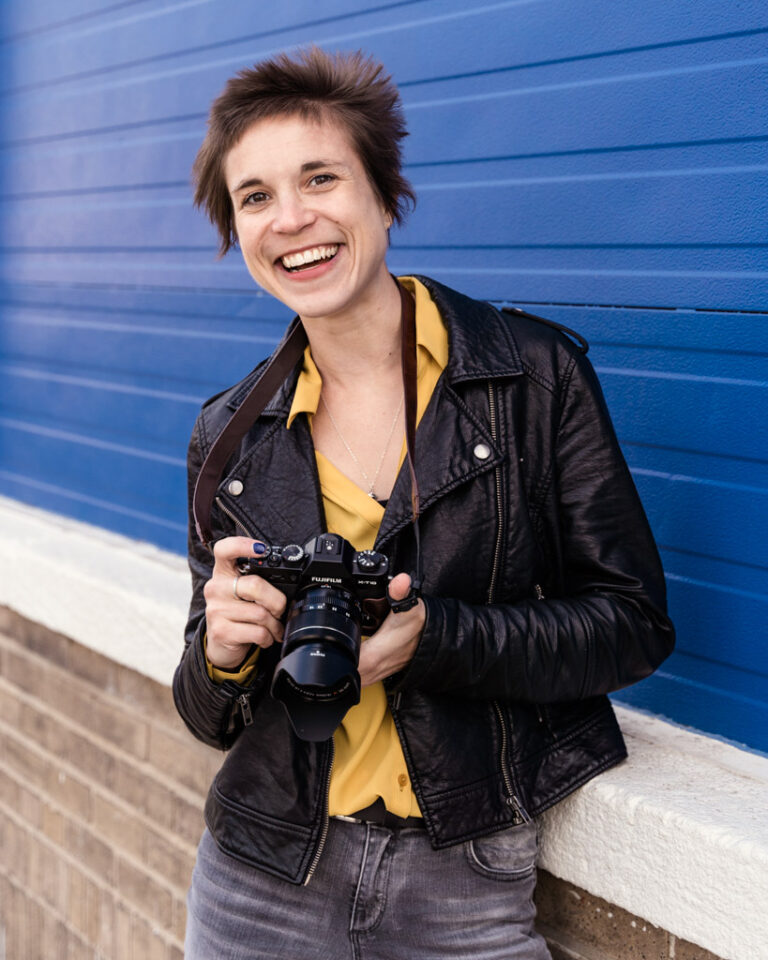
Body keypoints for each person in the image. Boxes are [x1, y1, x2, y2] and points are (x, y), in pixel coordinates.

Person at [173, 46, 675, 960]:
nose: (292, 220)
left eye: (319, 177)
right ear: (235, 231)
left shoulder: (530, 376)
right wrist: (218, 653)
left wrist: (433, 640)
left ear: (383, 193)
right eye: (255, 197)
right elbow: (211, 718)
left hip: (465, 875)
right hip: (260, 873)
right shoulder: (229, 437)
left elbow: (632, 623)